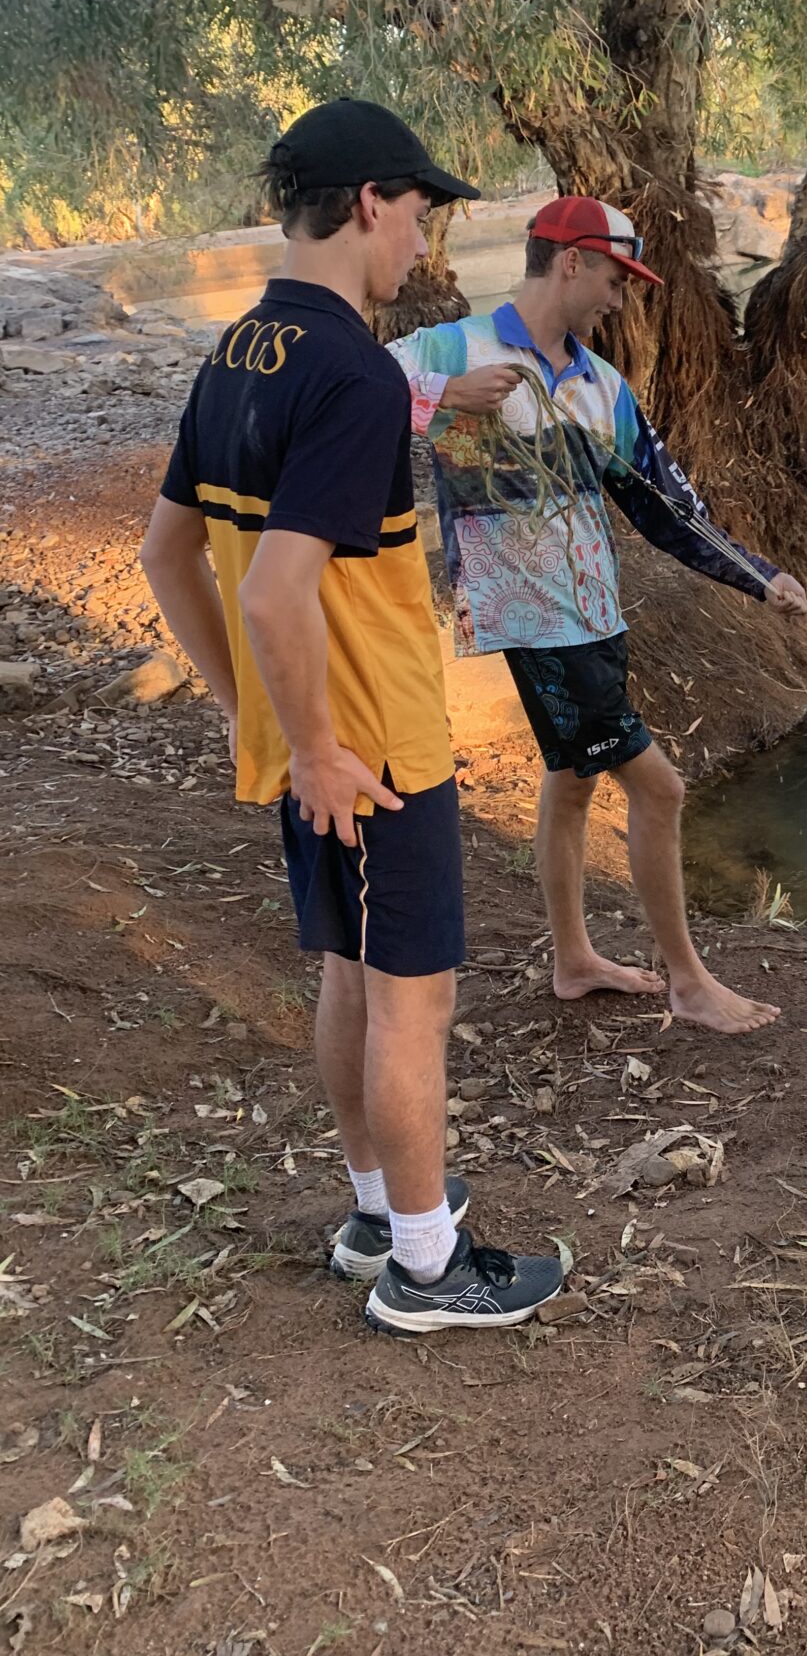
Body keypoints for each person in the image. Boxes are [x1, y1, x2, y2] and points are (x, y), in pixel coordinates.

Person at [139, 97, 565, 1336]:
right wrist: (319, 744)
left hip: (321, 747)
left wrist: (264, 723)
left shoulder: (238, 351)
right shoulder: (356, 373)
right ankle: (428, 1267)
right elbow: (275, 590)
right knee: (413, 999)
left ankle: (380, 1210)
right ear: (369, 202)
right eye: (418, 213)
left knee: (350, 968)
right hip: (374, 750)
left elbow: (168, 553)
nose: (422, 243)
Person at [388, 195, 807, 1035]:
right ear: (572, 262)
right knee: (661, 790)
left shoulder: (601, 386)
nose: (622, 300)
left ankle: (574, 960)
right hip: (533, 622)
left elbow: (666, 508)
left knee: (573, 781)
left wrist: (760, 577)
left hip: (594, 613)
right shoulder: (450, 350)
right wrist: (443, 395)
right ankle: (689, 982)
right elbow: (335, 391)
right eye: (617, 280)